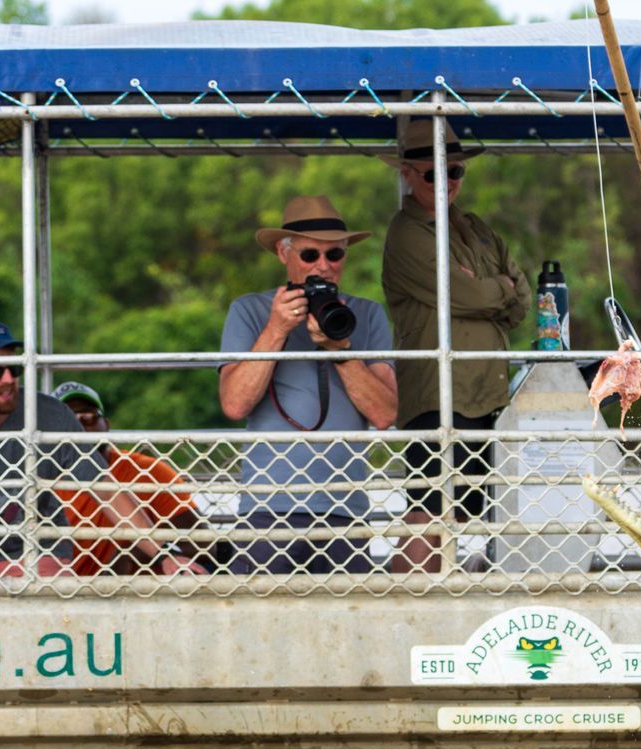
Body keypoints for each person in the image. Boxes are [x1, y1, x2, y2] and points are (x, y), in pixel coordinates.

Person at [0, 319, 201, 579]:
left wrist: (165, 556)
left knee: (50, 588)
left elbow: (104, 488)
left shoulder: (49, 414)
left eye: (15, 368)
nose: (8, 380)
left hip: (40, 554)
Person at [380, 120, 531, 572]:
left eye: (455, 171)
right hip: (438, 393)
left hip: (484, 391)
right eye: (432, 173)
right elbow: (464, 296)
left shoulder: (476, 227)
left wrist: (493, 288)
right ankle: (409, 599)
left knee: (465, 505)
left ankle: (439, 594)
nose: (446, 182)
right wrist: (493, 288)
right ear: (407, 174)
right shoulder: (407, 234)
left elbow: (522, 297)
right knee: (429, 507)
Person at [219, 196, 397, 574]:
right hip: (267, 509)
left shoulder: (366, 314)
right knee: (256, 624)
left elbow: (384, 414)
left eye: (335, 255)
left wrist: (341, 351)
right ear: (284, 255)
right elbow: (234, 405)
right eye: (310, 255)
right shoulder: (249, 310)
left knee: (350, 626)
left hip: (345, 510)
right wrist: (277, 328)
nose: (323, 266)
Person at [52, 380, 207, 574]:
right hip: (58, 591)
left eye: (89, 417)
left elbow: (203, 544)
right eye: (70, 420)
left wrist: (137, 554)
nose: (80, 426)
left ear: (106, 425)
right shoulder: (39, 477)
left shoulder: (147, 471)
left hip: (139, 596)